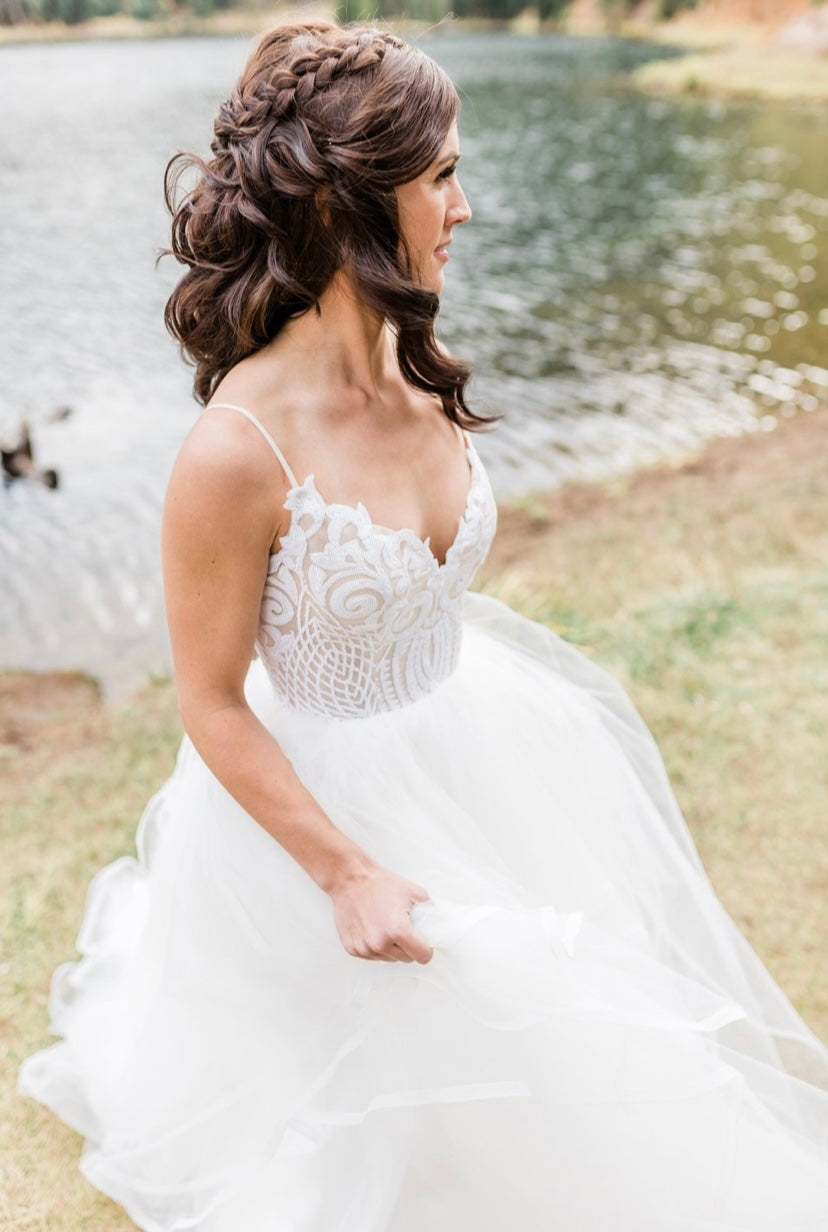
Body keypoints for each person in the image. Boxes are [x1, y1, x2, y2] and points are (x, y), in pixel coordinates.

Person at [19, 20, 828, 1232]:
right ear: (349, 198)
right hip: (322, 803)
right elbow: (210, 701)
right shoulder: (235, 450)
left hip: (474, 741)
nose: (464, 205)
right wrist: (347, 872)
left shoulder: (416, 356)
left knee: (574, 1062)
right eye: (441, 175)